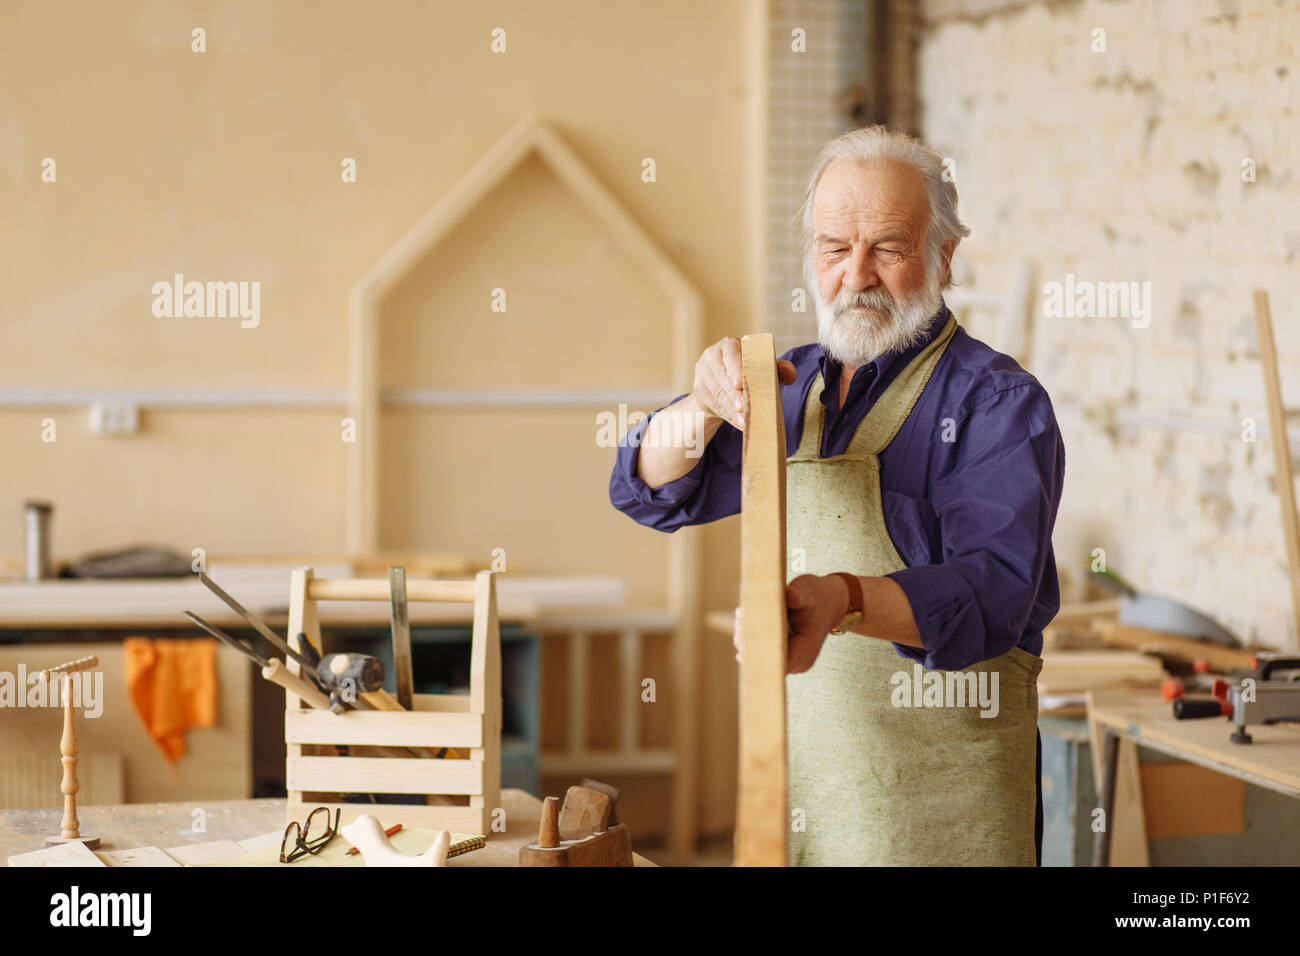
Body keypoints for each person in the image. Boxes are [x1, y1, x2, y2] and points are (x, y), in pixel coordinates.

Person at [610, 125, 1065, 866]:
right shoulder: (786, 386)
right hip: (809, 797)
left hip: (941, 813)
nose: (857, 275)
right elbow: (646, 489)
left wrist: (842, 599)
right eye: (833, 248)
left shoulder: (999, 403)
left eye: (888, 247)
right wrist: (699, 403)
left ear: (944, 257)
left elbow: (994, 595)